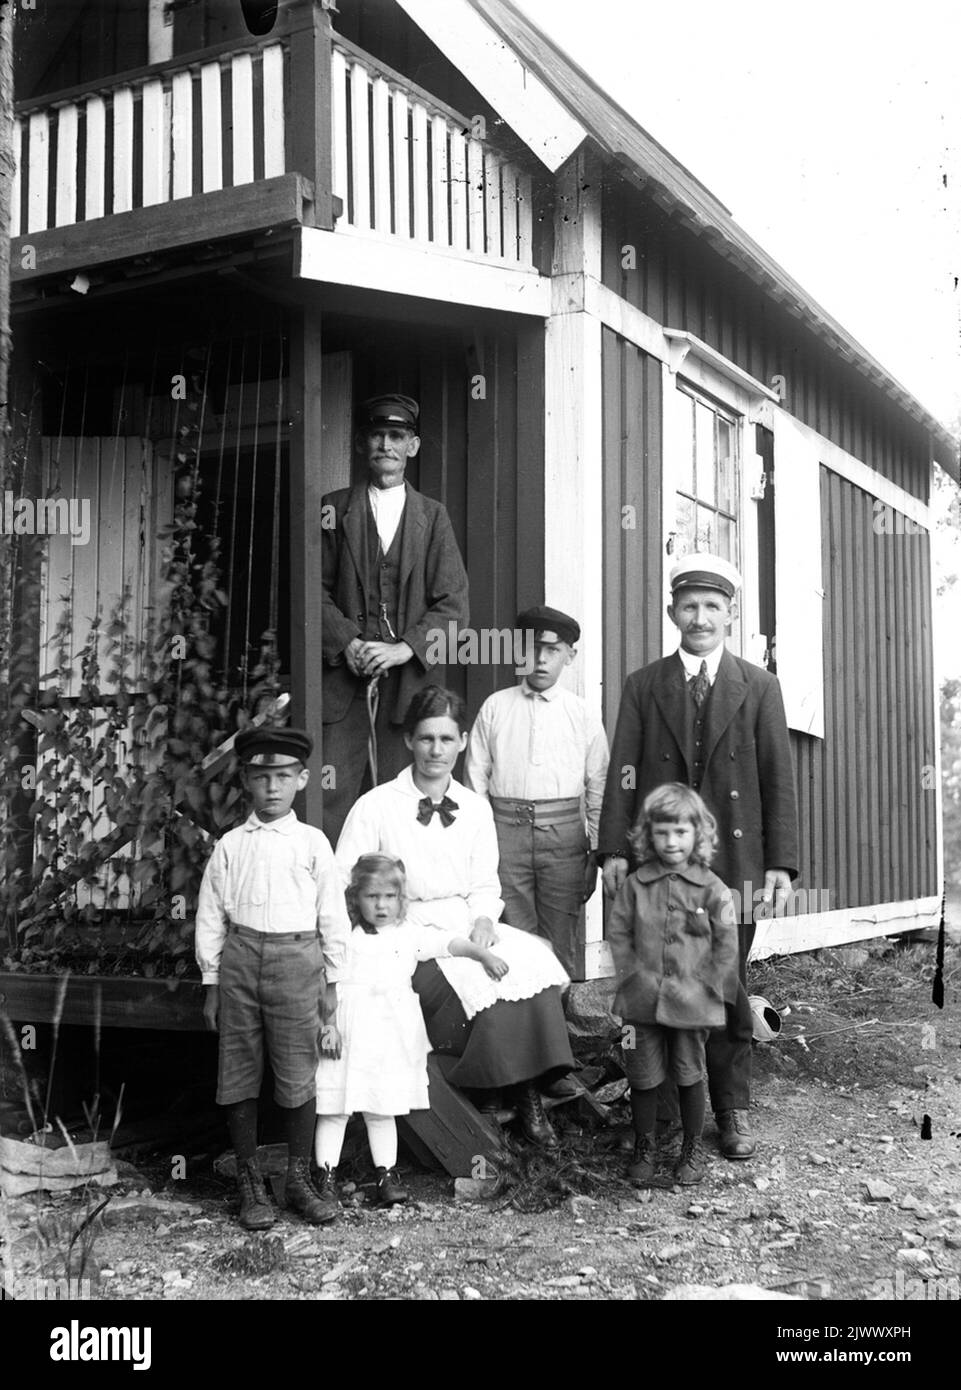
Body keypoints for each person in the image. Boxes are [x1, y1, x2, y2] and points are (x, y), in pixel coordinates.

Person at [598, 553, 798, 1159]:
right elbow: (624, 771)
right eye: (689, 607)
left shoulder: (759, 686)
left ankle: (730, 1112)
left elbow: (776, 776)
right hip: (658, 865)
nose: (700, 617)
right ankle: (656, 1120)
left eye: (712, 607)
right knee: (657, 985)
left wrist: (780, 862)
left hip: (733, 860)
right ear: (672, 614)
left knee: (727, 986)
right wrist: (613, 848)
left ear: (730, 615)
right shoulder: (644, 684)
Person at [335, 685, 576, 1148]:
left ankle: (524, 1089)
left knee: (533, 962)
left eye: (446, 740)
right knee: (478, 981)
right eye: (426, 739)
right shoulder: (377, 805)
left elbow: (486, 883)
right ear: (409, 741)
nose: (436, 751)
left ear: (463, 742)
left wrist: (485, 919)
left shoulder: (475, 807)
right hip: (405, 932)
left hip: (466, 919)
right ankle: (499, 1088)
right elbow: (346, 879)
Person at [195, 727, 350, 1230]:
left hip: (296, 962)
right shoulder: (230, 846)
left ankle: (297, 1181)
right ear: (246, 780)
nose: (273, 788)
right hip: (240, 959)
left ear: (302, 779)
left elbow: (332, 915)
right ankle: (250, 1184)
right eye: (262, 777)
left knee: (296, 1070)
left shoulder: (312, 843)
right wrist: (212, 981)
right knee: (238, 1069)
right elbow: (211, 915)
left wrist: (331, 981)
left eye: (283, 776)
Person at [313, 853, 509, 1209]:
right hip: (349, 1027)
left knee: (382, 1106)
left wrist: (481, 955)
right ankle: (325, 1175)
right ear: (355, 897)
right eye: (372, 897)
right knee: (335, 1106)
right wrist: (327, 1026)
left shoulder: (408, 934)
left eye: (389, 897)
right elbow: (326, 982)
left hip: (389, 1032)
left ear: (401, 900)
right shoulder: (344, 936)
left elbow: (449, 943)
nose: (382, 905)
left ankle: (385, 1176)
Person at [320, 393, 470, 844]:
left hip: (407, 688)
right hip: (342, 686)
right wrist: (348, 642)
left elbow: (454, 604)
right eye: (379, 435)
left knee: (404, 805)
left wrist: (403, 648)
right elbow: (312, 591)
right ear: (363, 443)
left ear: (413, 447)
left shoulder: (433, 516)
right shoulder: (333, 508)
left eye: (397, 436)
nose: (387, 444)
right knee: (333, 800)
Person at [464, 605, 609, 979]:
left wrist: (595, 850)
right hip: (505, 836)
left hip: (563, 841)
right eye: (531, 649)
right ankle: (519, 1031)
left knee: (559, 937)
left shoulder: (582, 713)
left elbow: (599, 787)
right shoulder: (496, 707)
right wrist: (482, 843)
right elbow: (475, 783)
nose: (540, 660)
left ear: (570, 656)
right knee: (513, 933)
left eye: (553, 650)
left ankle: (555, 1032)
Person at [608, 784, 739, 1186]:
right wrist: (633, 977)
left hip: (693, 1002)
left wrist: (706, 987)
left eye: (680, 832)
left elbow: (726, 944)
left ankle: (690, 1151)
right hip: (641, 1002)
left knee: (689, 1074)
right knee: (642, 1076)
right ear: (648, 835)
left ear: (698, 835)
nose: (671, 841)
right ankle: (644, 1147)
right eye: (662, 832)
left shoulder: (713, 888)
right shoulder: (635, 885)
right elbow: (619, 933)